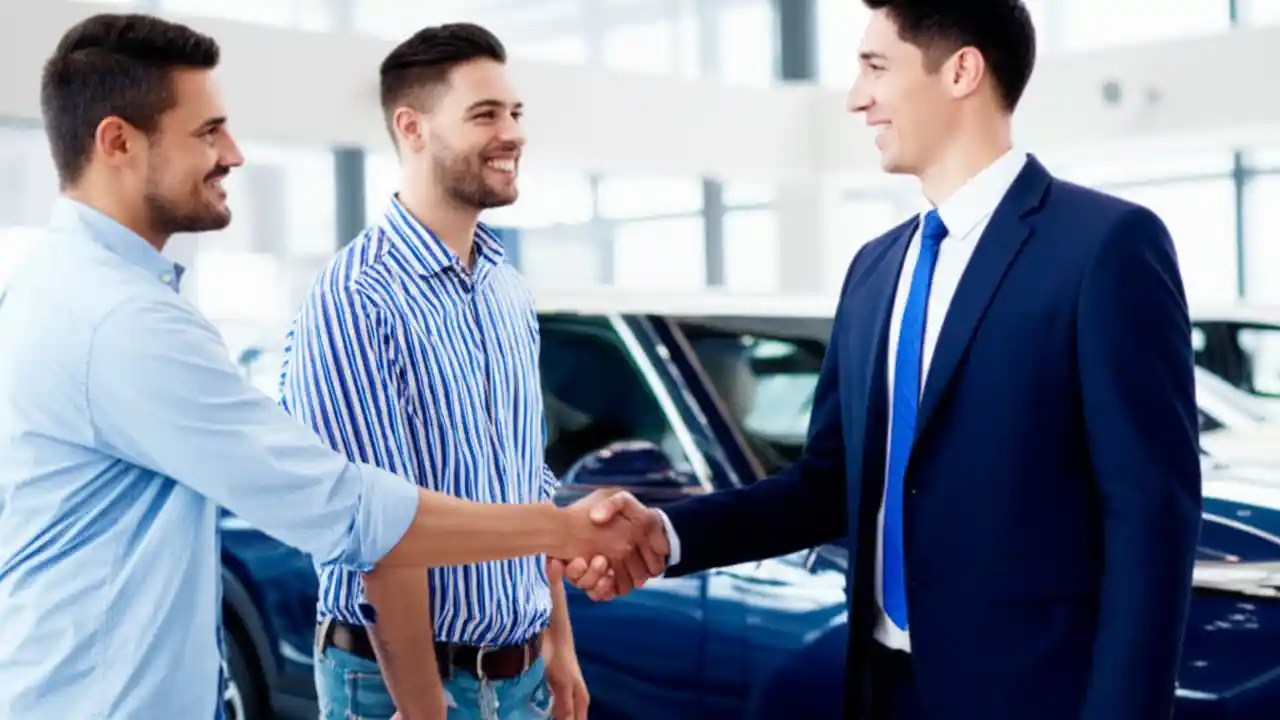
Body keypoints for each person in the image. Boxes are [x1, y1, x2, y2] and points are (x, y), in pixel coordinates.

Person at [0, 14, 647, 718]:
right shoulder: (124, 320)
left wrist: (555, 633)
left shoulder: (75, 290)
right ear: (118, 141)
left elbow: (517, 472)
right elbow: (348, 512)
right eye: (208, 130)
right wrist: (565, 530)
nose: (235, 154)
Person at [569, 1, 1202, 718]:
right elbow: (825, 484)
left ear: (962, 70)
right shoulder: (876, 269)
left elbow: (1150, 514)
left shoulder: (1104, 246)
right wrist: (668, 532)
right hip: (881, 688)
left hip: (1031, 695)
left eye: (875, 66)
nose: (855, 97)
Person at [278, 23, 604, 720]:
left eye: (515, 113)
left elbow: (529, 489)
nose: (512, 133)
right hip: (399, 686)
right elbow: (377, 533)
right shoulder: (356, 298)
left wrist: (559, 647)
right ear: (413, 128)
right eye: (485, 115)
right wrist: (425, 706)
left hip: (521, 676)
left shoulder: (505, 288)